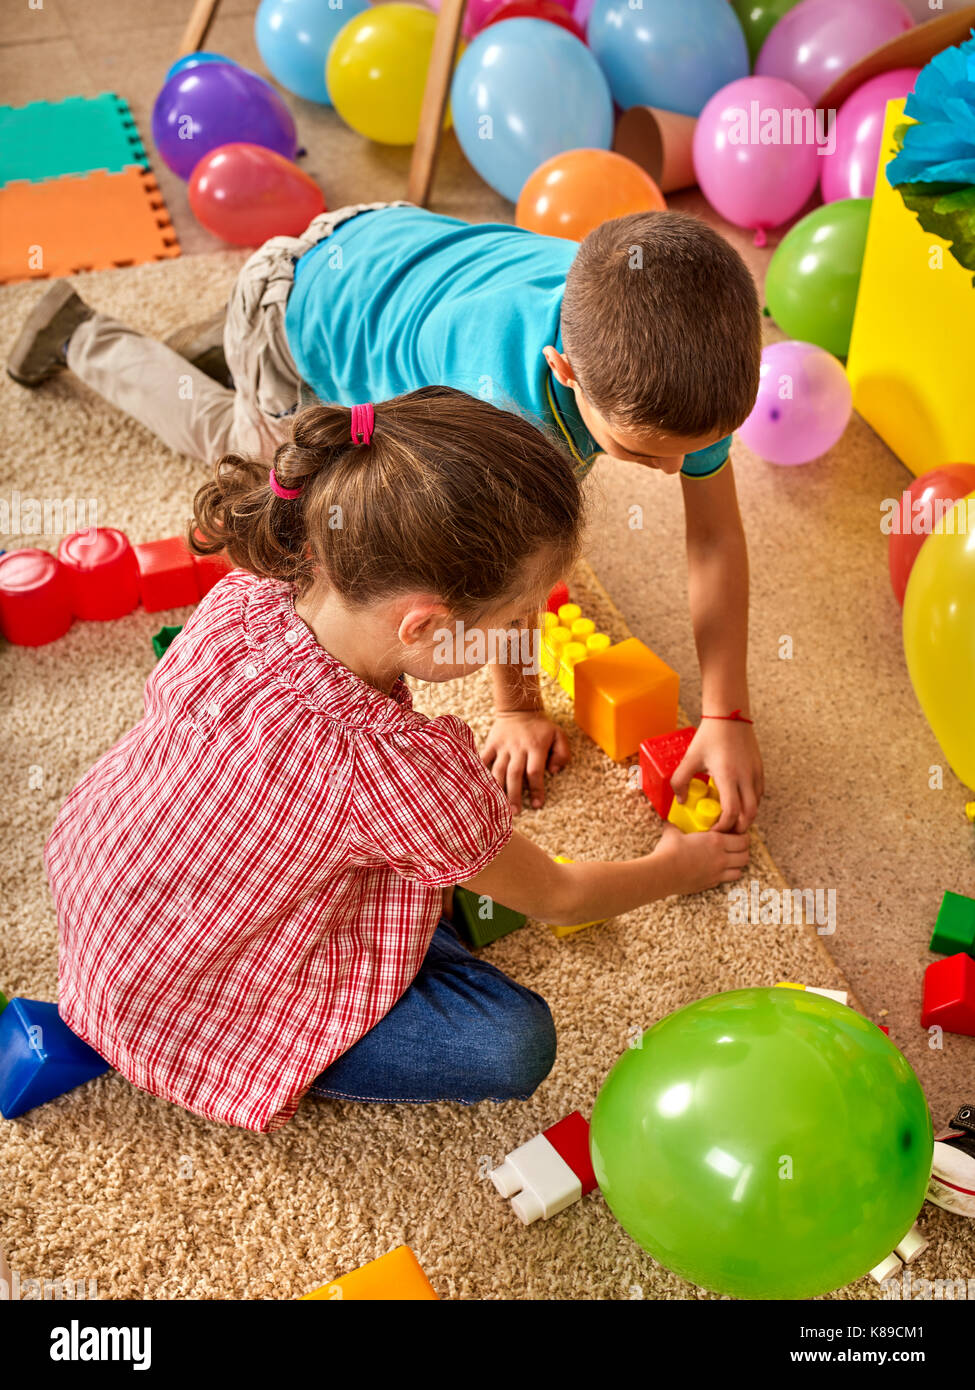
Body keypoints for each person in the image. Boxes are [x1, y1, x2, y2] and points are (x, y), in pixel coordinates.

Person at [11, 204, 763, 828]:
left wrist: (726, 715)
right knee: (254, 460)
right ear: (563, 370)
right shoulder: (504, 413)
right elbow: (504, 580)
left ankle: (237, 331)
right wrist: (518, 707)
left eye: (694, 450)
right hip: (308, 306)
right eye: (643, 452)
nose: (674, 471)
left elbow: (715, 539)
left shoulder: (675, 359)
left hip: (388, 250)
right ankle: (89, 334)